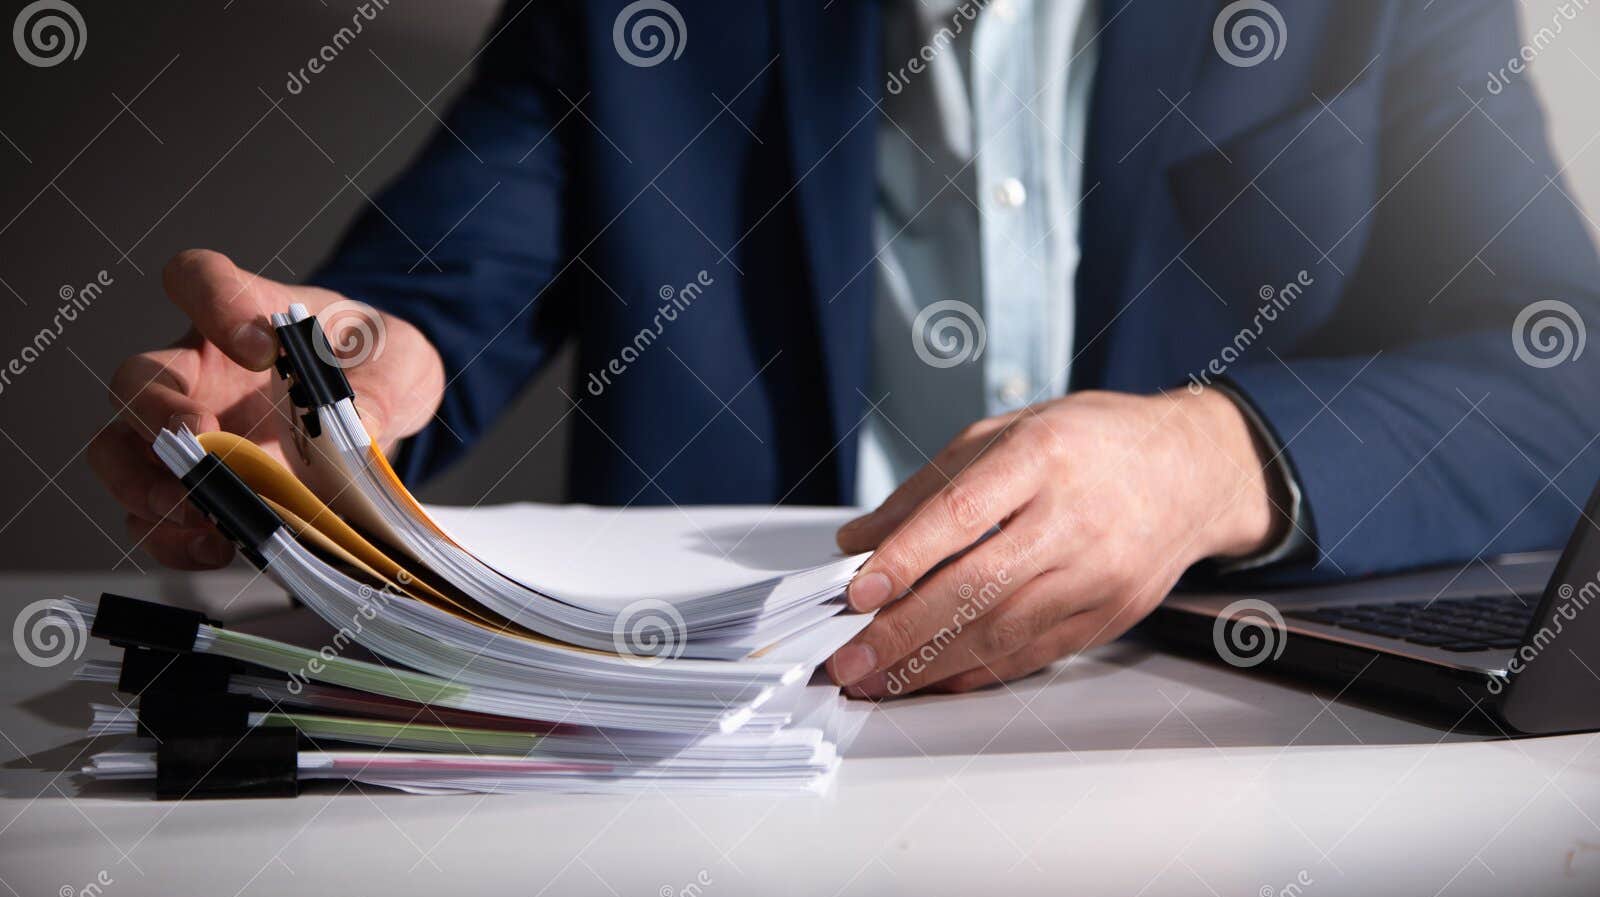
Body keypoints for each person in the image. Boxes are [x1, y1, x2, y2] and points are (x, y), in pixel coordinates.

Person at [87, 1, 1600, 699]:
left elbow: (1564, 373)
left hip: (1214, 743)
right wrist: (324, 392)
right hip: (719, 771)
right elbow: (428, 296)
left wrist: (1220, 456)